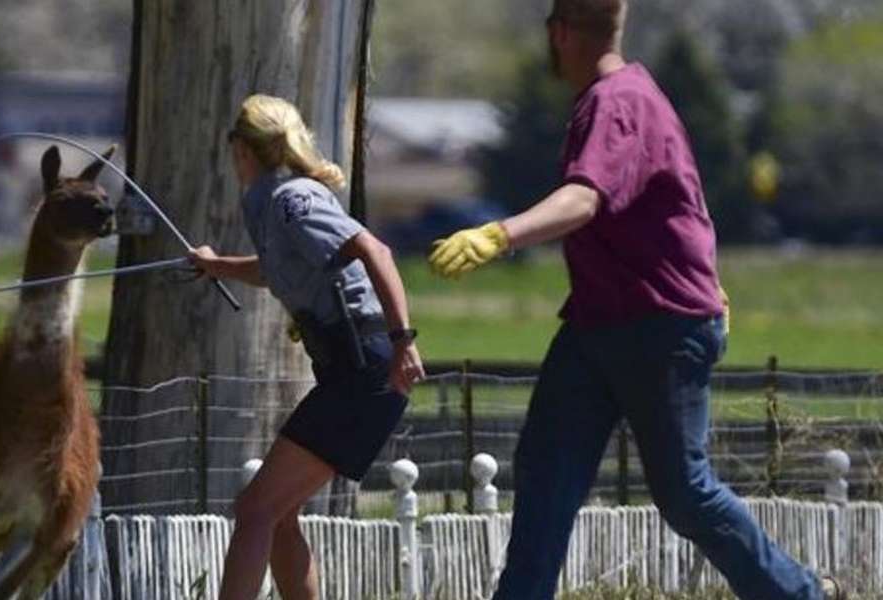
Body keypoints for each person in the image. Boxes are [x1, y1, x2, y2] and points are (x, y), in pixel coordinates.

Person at [427, 1, 843, 599]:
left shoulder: (615, 102)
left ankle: (803, 595)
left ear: (559, 32)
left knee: (684, 493)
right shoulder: (633, 95)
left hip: (659, 325)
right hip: (602, 322)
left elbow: (584, 199)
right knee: (546, 473)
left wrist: (497, 235)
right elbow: (686, 204)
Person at [189, 94, 425, 600]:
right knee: (276, 515)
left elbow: (373, 249)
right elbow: (275, 271)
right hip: (350, 369)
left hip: (364, 367)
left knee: (255, 510)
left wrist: (404, 340)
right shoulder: (273, 208)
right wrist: (218, 266)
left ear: (242, 150)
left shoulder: (292, 201)